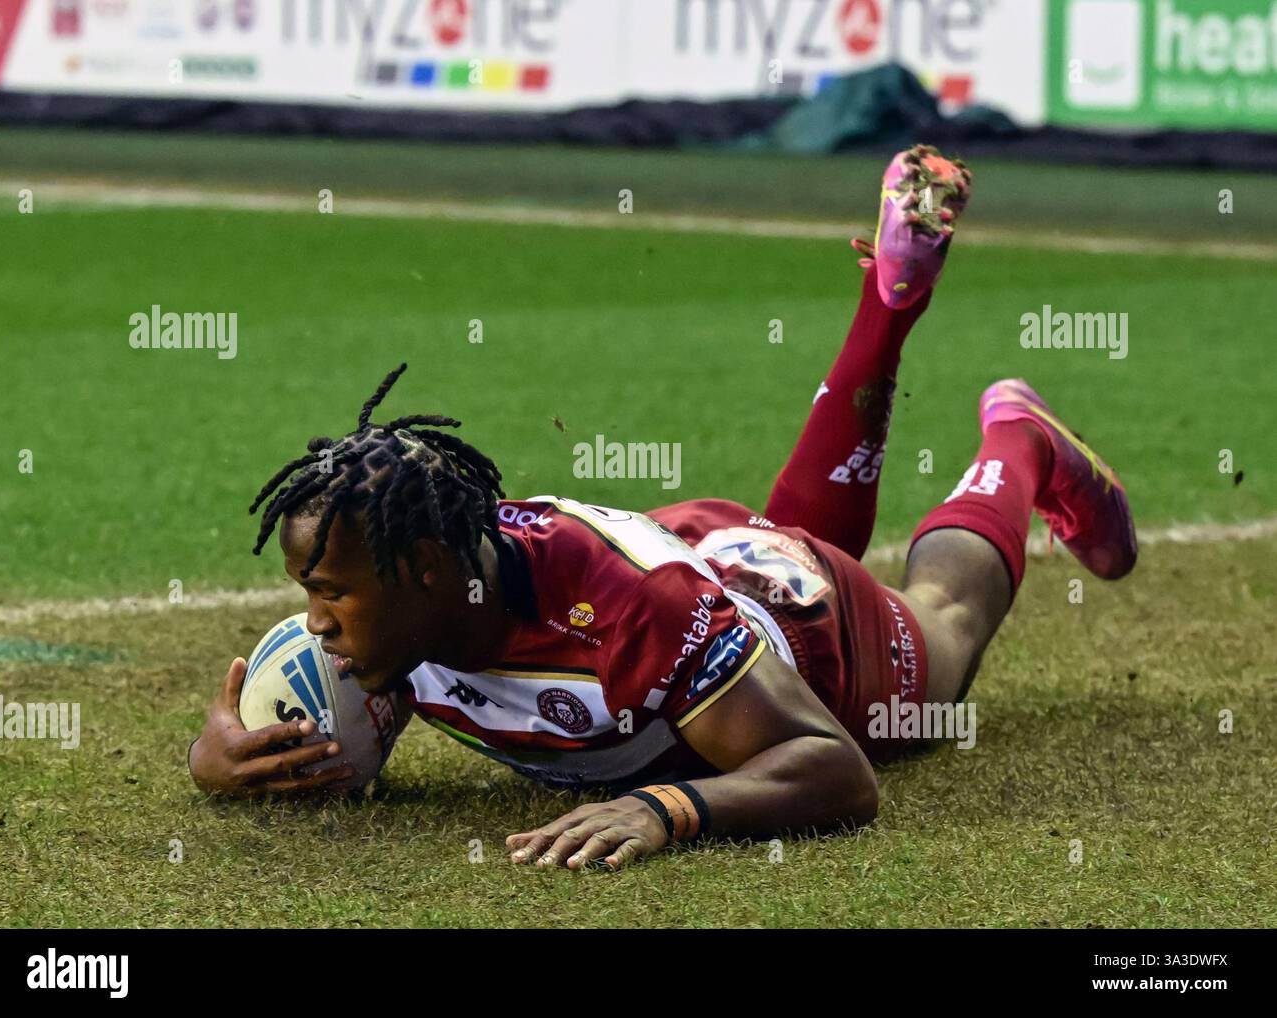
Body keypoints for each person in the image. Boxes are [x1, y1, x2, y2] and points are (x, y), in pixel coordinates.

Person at [189, 145, 1137, 870]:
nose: (314, 625)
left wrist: (670, 808)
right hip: (698, 557)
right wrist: (220, 761)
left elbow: (836, 769)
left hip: (790, 620)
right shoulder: (393, 607)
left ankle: (1018, 441)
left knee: (945, 633)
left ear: (426, 571)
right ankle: (883, 311)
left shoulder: (625, 611)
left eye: (329, 596)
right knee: (793, 536)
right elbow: (307, 738)